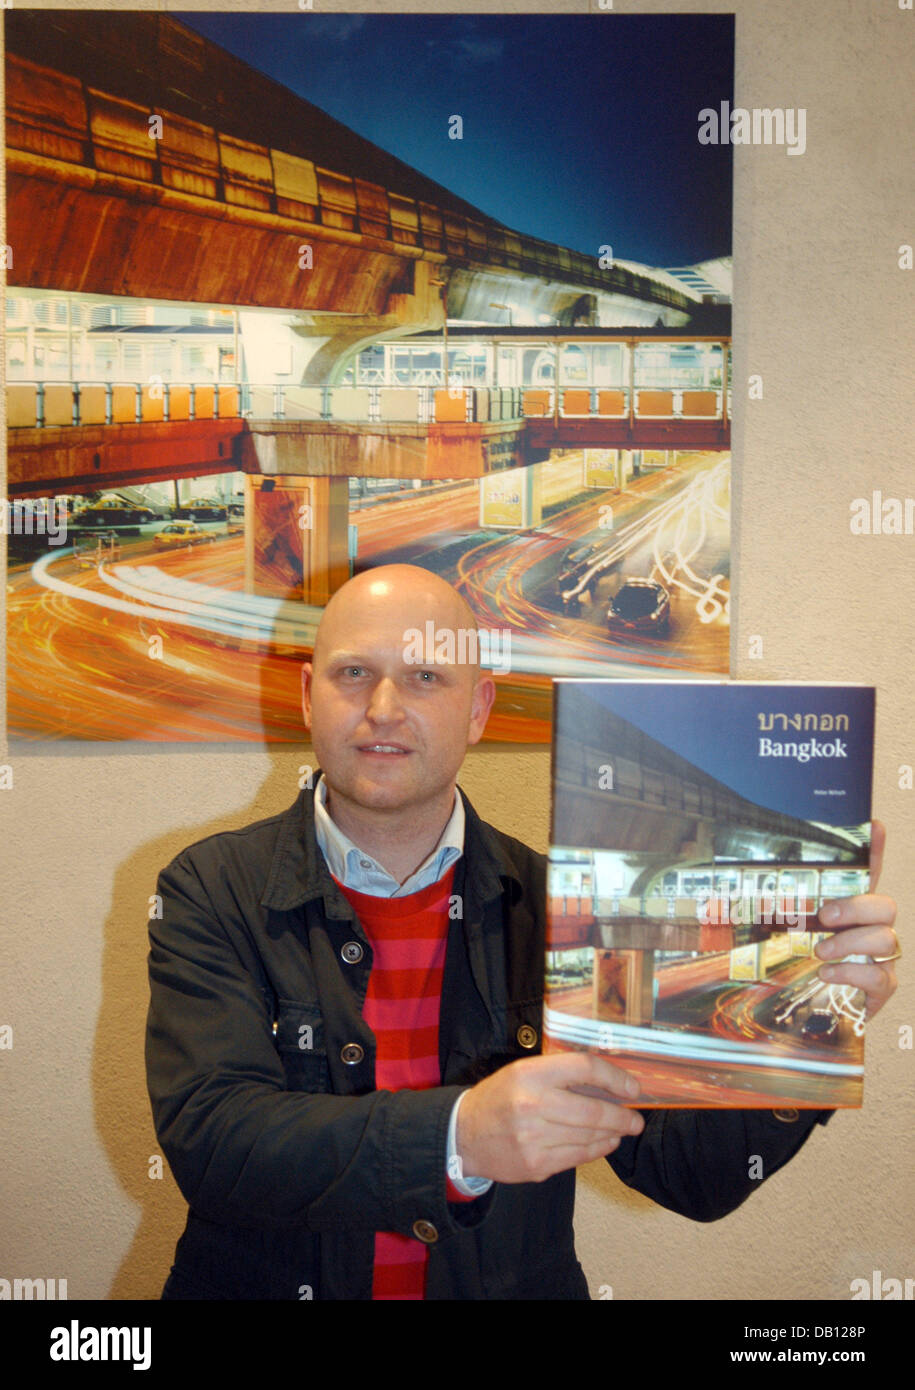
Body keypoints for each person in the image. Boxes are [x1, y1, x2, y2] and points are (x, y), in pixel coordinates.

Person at [145, 564, 900, 1300]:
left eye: (424, 677)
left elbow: (691, 1177)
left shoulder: (564, 907)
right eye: (352, 674)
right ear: (309, 697)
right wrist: (460, 1136)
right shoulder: (210, 889)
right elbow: (215, 1143)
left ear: (477, 709)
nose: (382, 706)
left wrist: (809, 1022)